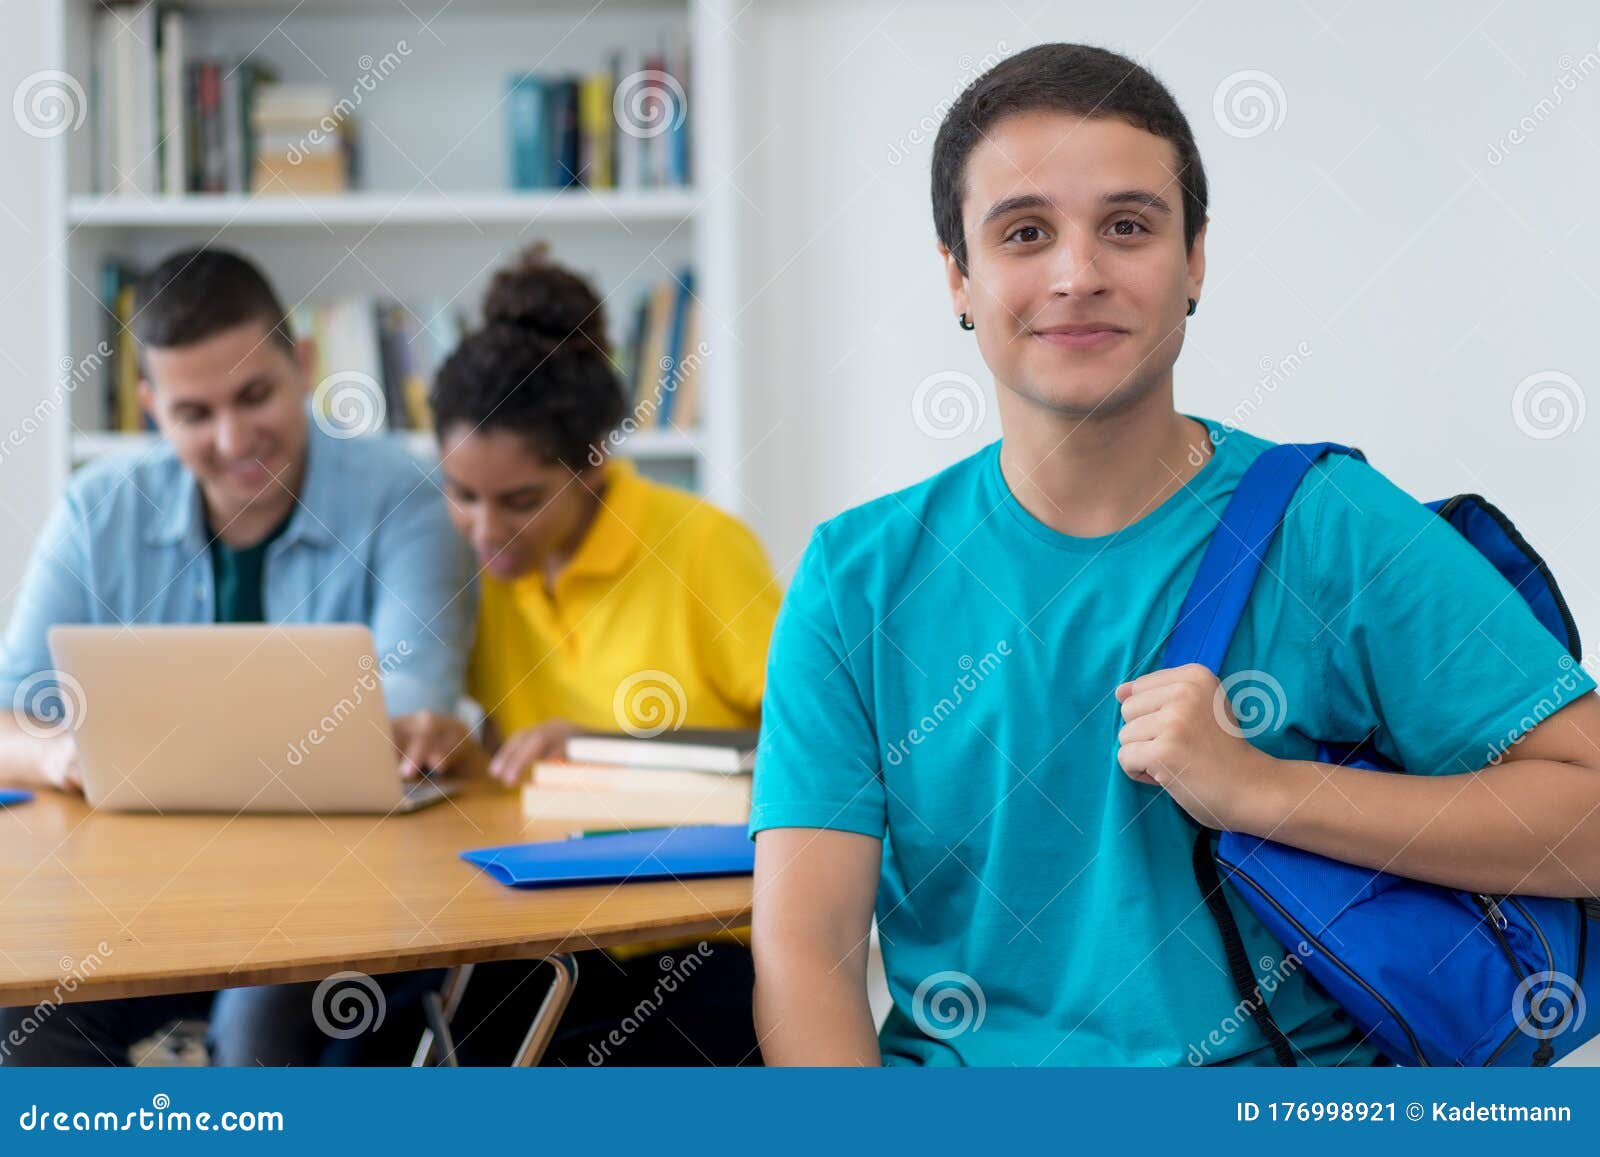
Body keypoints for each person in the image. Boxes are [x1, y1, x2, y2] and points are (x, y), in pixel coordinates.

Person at [748, 42, 1600, 1066]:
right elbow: (806, 951)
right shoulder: (855, 578)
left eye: (1127, 226)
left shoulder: (1332, 524)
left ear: (1192, 259)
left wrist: (1261, 790)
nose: (1078, 273)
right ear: (958, 277)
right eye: (1024, 232)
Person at [0, 247, 477, 1065]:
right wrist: (60, 749)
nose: (232, 439)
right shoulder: (97, 509)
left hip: (333, 903)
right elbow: (9, 706)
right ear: (152, 407)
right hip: (130, 901)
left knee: (264, 1037)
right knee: (23, 1028)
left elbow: (407, 698)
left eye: (256, 395)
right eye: (194, 412)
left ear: (303, 364)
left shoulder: (404, 499)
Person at [419, 243, 781, 1065]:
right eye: (461, 494)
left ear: (591, 467)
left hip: (696, 931)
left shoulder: (700, 549)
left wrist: (600, 747)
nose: (483, 530)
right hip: (539, 921)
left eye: (519, 501)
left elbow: (808, 754)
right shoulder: (472, 573)